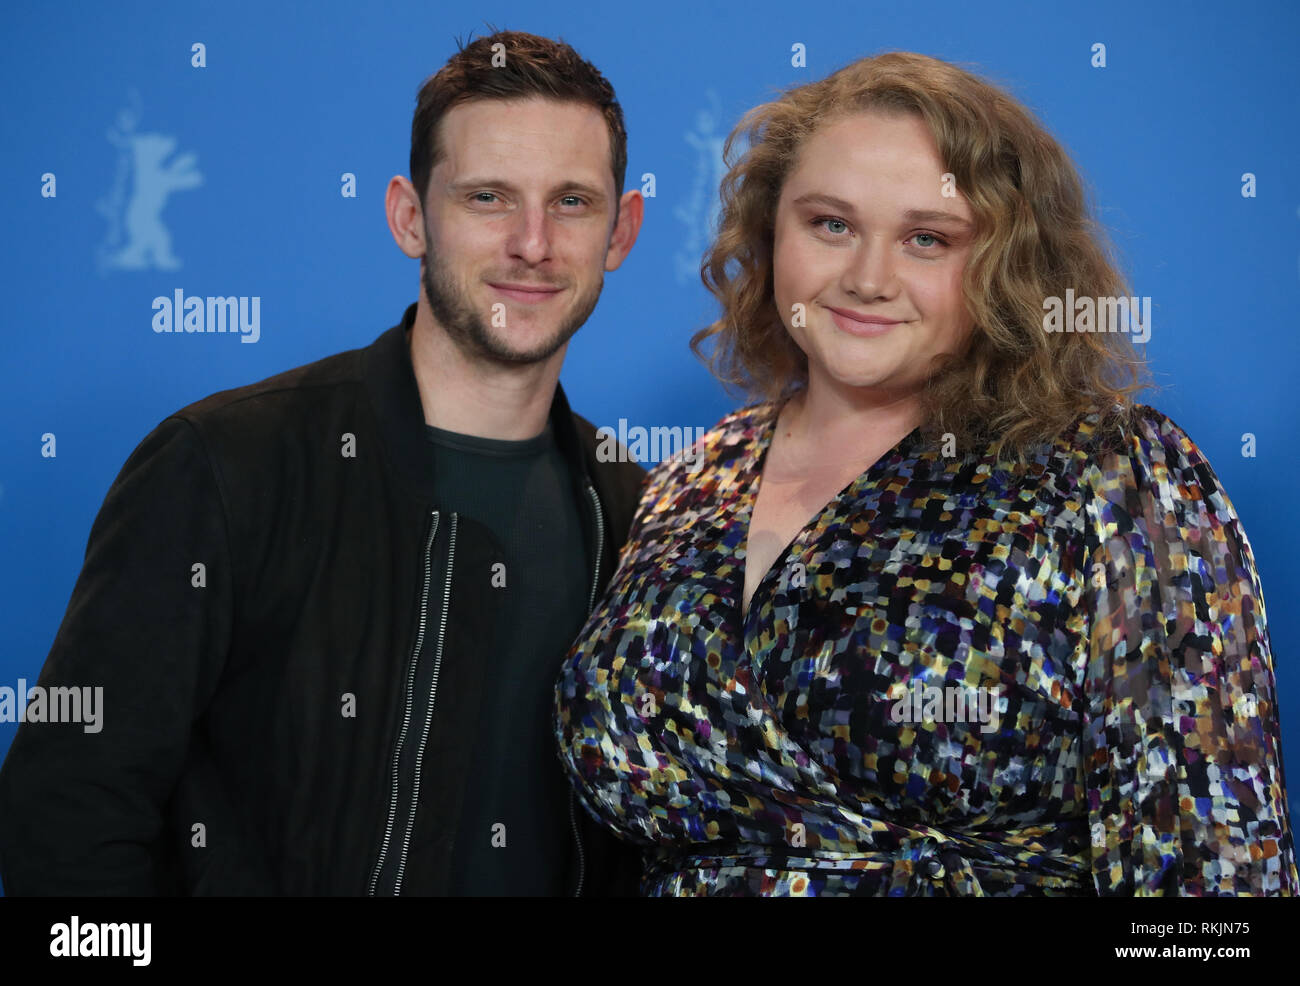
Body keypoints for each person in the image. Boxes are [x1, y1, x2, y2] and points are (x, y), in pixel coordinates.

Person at [554, 50, 1297, 896]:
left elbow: (1214, 881)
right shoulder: (694, 480)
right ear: (770, 236)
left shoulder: (1112, 477)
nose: (868, 279)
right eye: (830, 224)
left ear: (1006, 266)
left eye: (926, 240)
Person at [0, 29, 647, 896]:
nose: (532, 242)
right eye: (488, 197)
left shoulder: (641, 512)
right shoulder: (227, 465)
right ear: (409, 216)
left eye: (571, 202)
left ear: (622, 230)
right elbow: (63, 824)